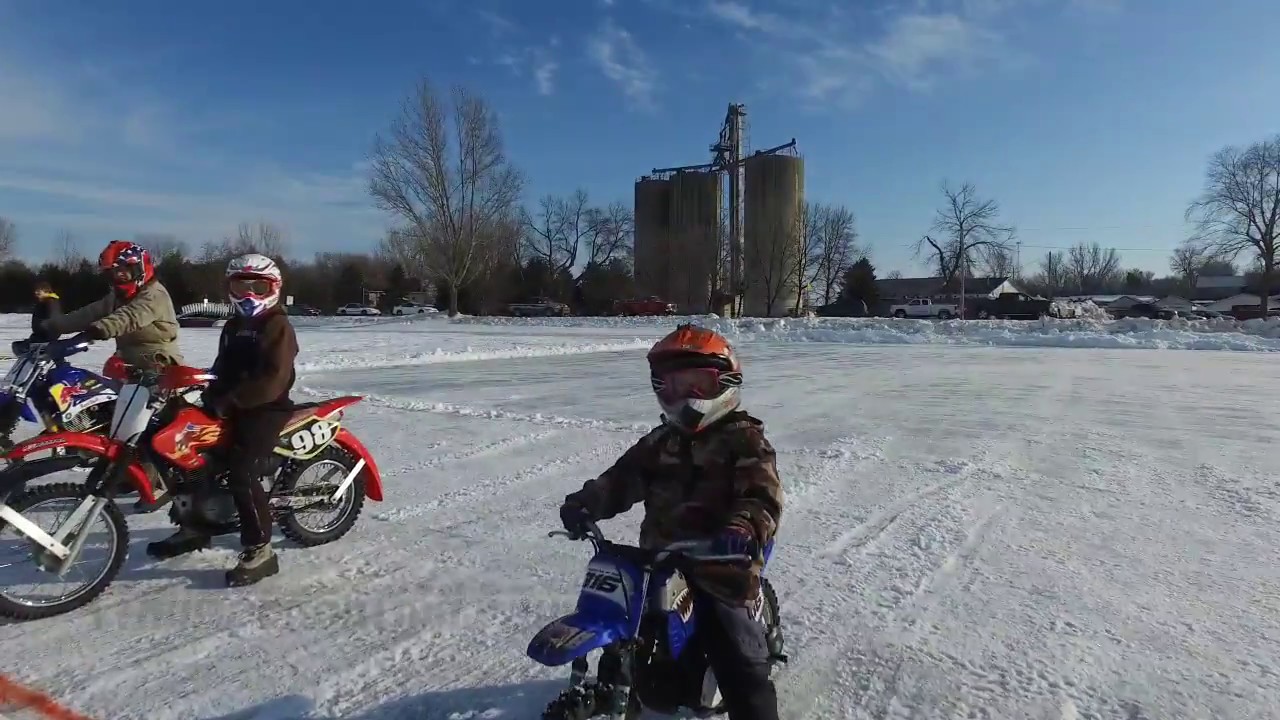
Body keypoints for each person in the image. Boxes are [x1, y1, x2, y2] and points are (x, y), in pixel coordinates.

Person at [558, 323, 783, 720]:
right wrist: (586, 503)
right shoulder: (662, 441)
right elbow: (622, 478)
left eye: (697, 383)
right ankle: (627, 684)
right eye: (672, 386)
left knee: (737, 654)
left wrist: (743, 527)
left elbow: (761, 496)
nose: (684, 397)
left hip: (721, 563)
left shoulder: (743, 440)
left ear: (725, 383)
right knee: (629, 623)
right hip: (660, 560)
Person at [146, 253, 298, 588]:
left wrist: (229, 401)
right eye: (240, 286)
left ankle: (261, 548)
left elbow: (273, 378)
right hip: (228, 404)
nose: (249, 296)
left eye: (259, 287)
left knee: (240, 470)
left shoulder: (276, 325)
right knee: (179, 449)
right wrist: (192, 380)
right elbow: (222, 369)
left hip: (265, 408)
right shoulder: (233, 325)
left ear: (273, 289)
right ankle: (195, 525)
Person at [39, 242, 182, 511]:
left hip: (160, 368)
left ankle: (158, 482)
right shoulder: (117, 296)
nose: (118, 278)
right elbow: (89, 313)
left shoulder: (154, 294)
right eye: (112, 274)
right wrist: (53, 327)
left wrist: (94, 332)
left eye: (123, 272)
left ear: (138, 267)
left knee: (146, 427)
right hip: (128, 367)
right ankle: (128, 475)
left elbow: (128, 318)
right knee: (116, 424)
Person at [0, 281, 66, 450]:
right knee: (20, 386)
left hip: (45, 348)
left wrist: (46, 341)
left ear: (47, 291)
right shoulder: (43, 303)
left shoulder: (51, 303)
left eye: (40, 291)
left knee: (29, 387)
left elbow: (53, 326)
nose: (36, 293)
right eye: (36, 291)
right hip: (38, 344)